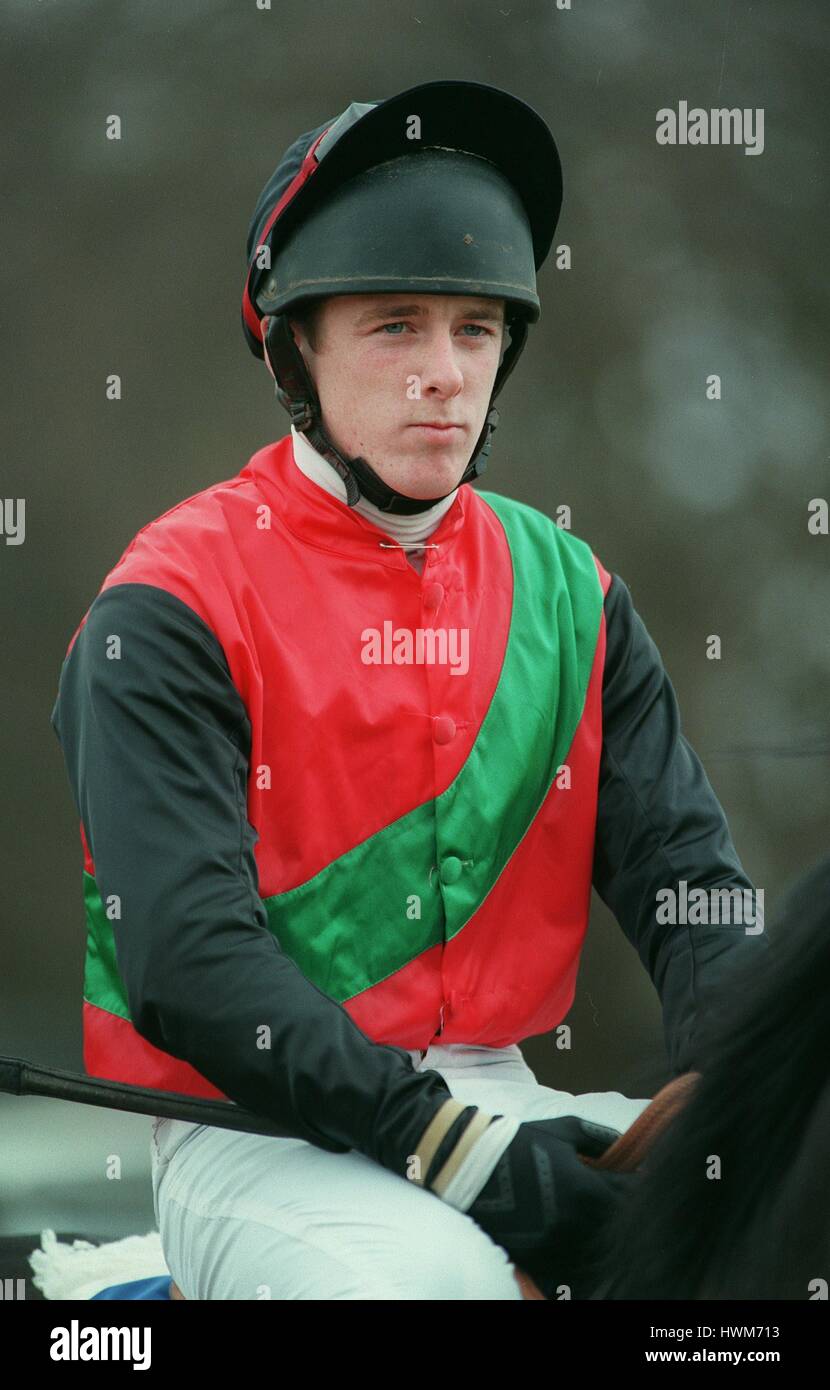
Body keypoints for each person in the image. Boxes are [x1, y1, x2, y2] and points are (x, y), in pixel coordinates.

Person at [50, 80, 769, 1300]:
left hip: (504, 1095)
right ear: (296, 347)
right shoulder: (166, 605)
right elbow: (188, 961)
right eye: (394, 326)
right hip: (253, 1134)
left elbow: (686, 884)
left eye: (474, 329)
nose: (443, 373)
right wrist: (454, 1148)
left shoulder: (574, 595)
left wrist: (754, 1072)